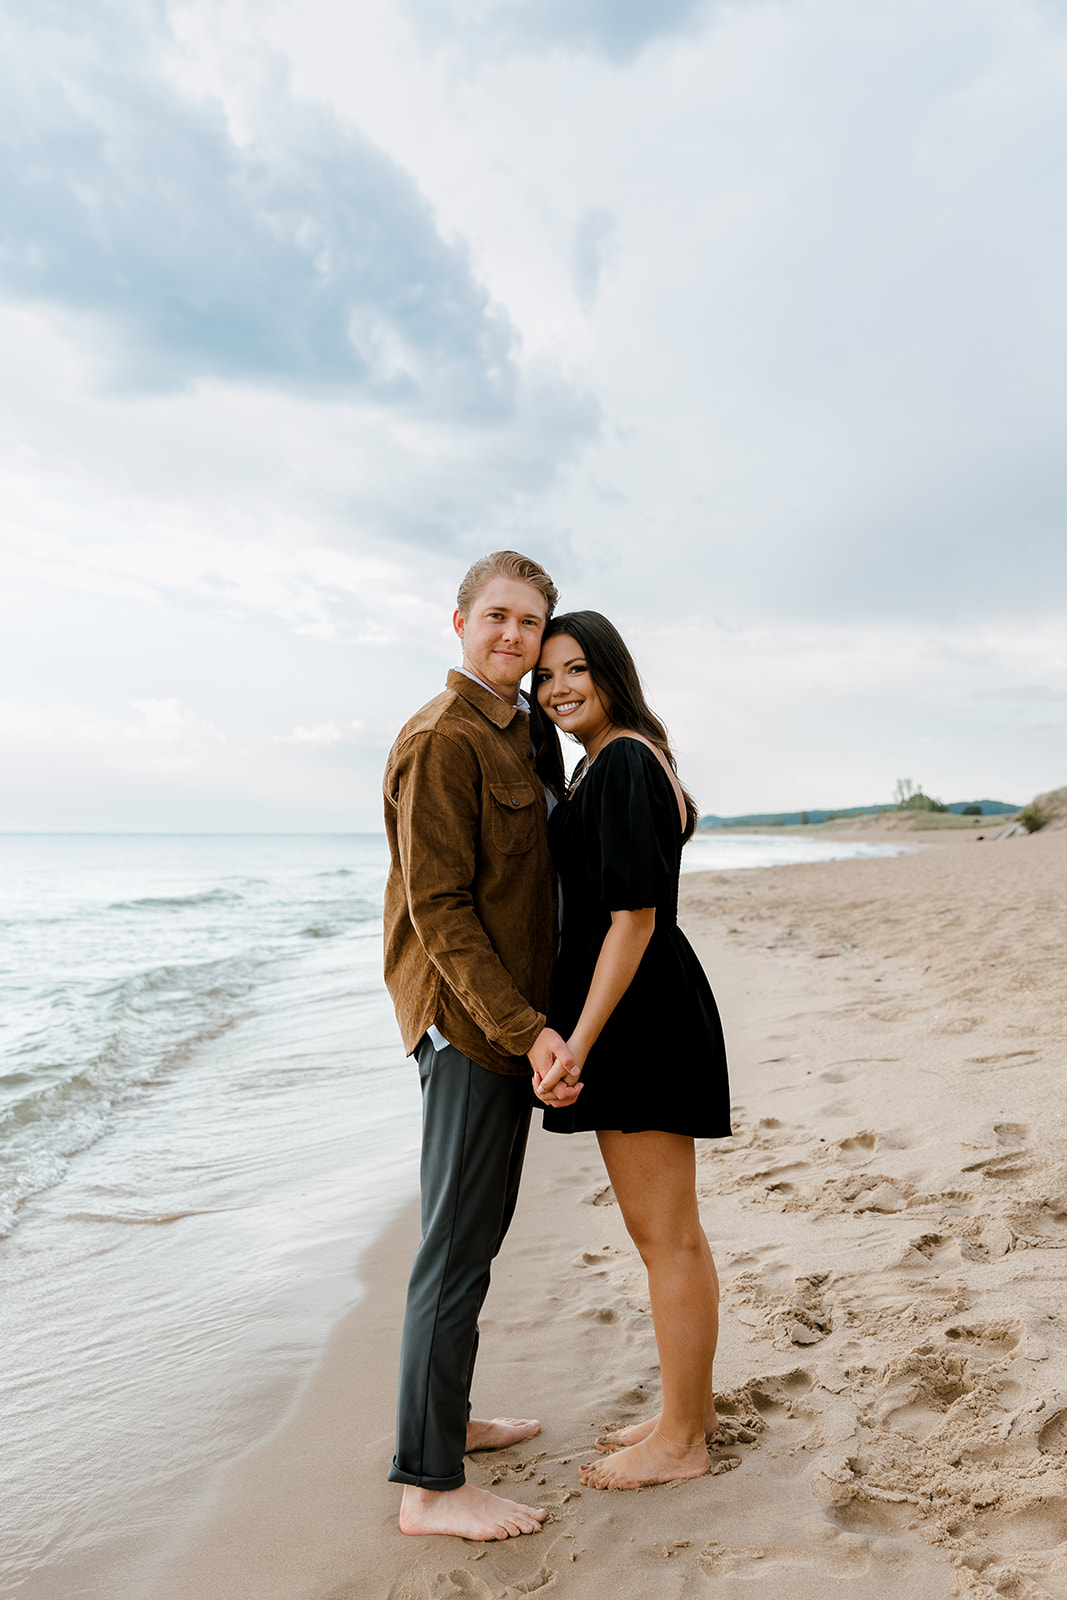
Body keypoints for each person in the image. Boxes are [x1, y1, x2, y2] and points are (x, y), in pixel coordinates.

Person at [382, 551, 579, 1541]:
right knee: (452, 1251)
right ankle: (427, 1485)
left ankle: (447, 1419)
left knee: (474, 1239)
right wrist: (527, 1029)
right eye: (495, 615)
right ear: (455, 621)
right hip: (467, 1027)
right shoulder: (439, 739)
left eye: (528, 622)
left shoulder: (522, 734)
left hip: (507, 1028)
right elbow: (441, 913)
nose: (512, 635)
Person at [529, 610, 732, 1491]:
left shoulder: (617, 761)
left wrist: (576, 1042)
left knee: (667, 1240)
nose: (558, 688)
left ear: (610, 669)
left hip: (636, 1021)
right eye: (544, 678)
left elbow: (633, 918)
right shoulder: (623, 757)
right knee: (668, 1235)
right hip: (642, 1011)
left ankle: (683, 1441)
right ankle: (686, 1412)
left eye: (575, 668)